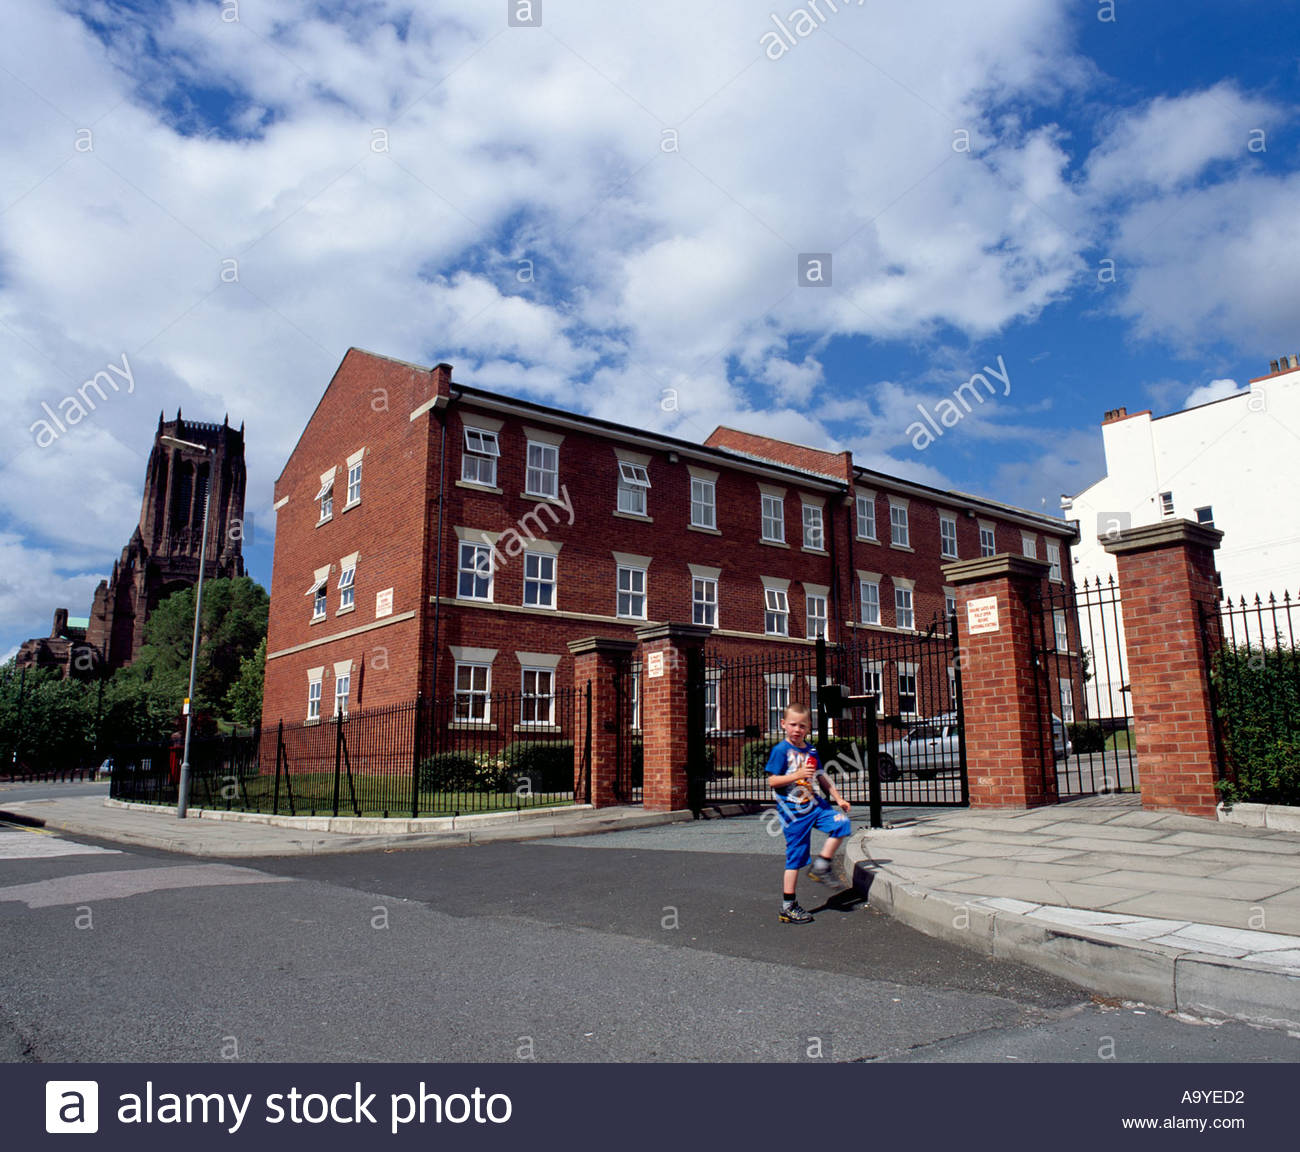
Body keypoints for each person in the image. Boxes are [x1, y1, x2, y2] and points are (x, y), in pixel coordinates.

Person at [766, 702, 851, 924]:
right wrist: (798, 774)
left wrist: (838, 797)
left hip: (815, 805)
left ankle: (822, 865)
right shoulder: (781, 751)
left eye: (802, 726)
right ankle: (788, 906)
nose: (797, 730)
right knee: (796, 858)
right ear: (783, 724)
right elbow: (772, 781)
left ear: (808, 727)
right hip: (793, 812)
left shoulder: (810, 750)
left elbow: (822, 776)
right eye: (793, 725)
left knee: (842, 824)